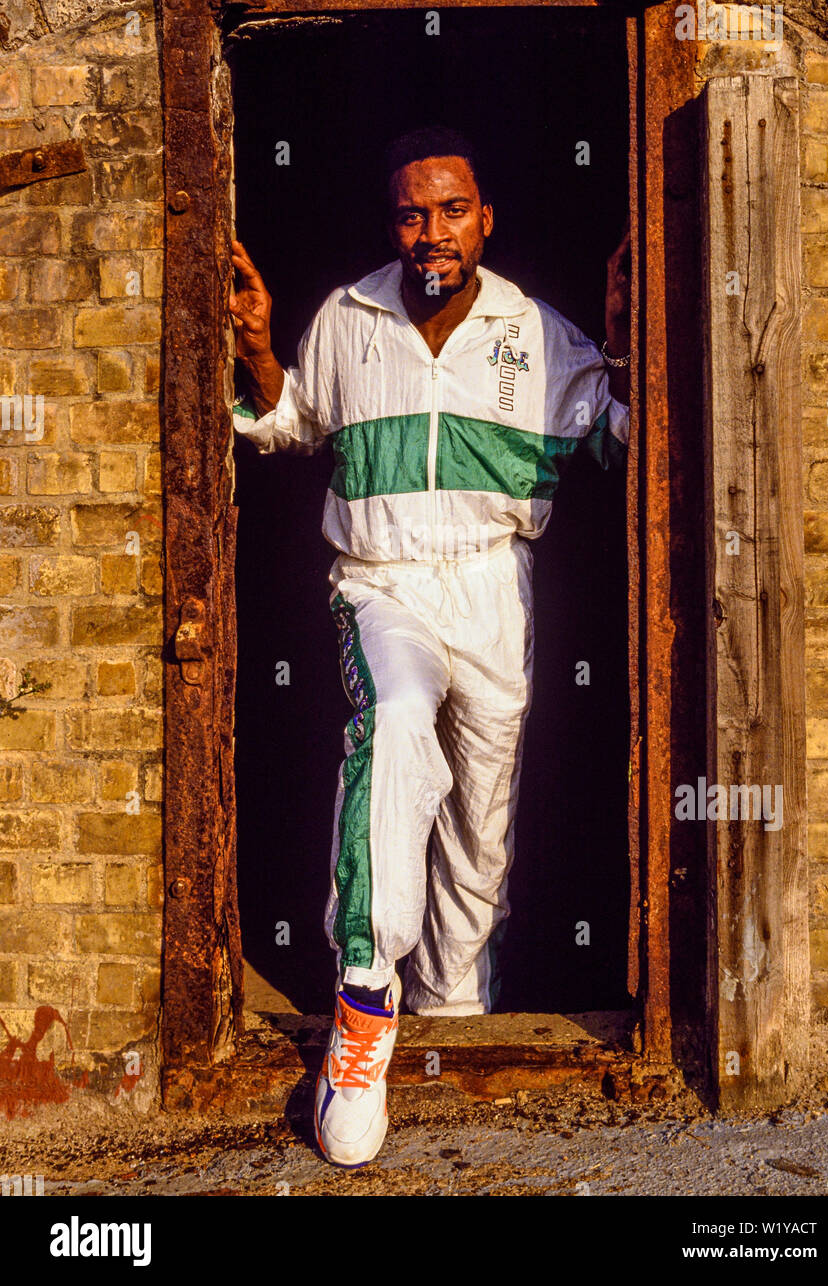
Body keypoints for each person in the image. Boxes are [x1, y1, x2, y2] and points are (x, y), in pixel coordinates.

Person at [229, 126, 631, 1167]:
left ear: (485, 219)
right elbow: (289, 427)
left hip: (495, 587)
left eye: (452, 210)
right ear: (393, 223)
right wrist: (261, 347)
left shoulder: (537, 333)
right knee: (398, 727)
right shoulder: (350, 317)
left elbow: (622, 430)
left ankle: (452, 1022)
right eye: (413, 212)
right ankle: (363, 1015)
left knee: (479, 832)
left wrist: (634, 337)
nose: (432, 232)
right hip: (383, 582)